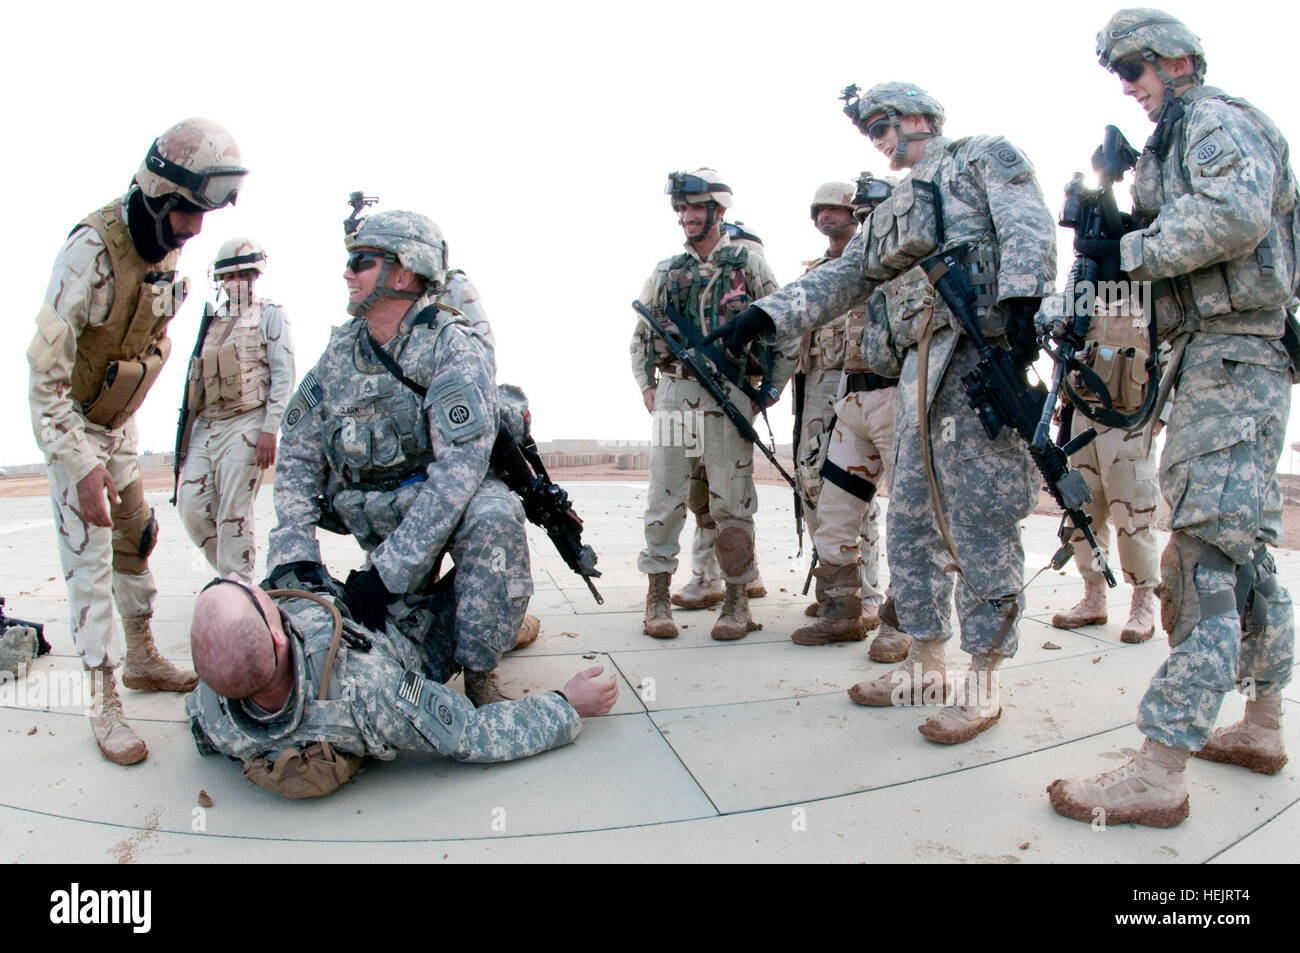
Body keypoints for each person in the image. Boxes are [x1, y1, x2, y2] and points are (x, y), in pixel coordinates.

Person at [709, 84, 1057, 743]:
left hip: (978, 362)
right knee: (911, 524)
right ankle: (926, 665)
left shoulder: (982, 156)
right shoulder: (895, 208)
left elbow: (1027, 227)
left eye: (884, 124)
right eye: (871, 131)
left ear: (920, 116)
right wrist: (770, 312)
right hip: (916, 372)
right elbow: (850, 276)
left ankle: (983, 684)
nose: (881, 139)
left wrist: (1022, 308)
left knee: (981, 522)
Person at [1049, 8, 1295, 827]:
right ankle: (1261, 725)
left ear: (1179, 61)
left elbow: (1235, 215)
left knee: (1203, 562)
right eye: (1120, 74)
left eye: (1136, 69)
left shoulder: (1211, 120)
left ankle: (1162, 767)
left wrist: (1126, 246)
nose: (1130, 88)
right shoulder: (1183, 132)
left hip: (1230, 358)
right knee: (1244, 550)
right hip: (1228, 356)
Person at [27, 118, 246, 765]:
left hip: (119, 426)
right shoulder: (89, 253)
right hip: (72, 423)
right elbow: (44, 385)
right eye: (187, 212)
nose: (195, 229)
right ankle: (104, 701)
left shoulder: (164, 247)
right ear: (155, 194)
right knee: (89, 560)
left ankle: (143, 657)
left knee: (136, 537)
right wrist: (77, 464)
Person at [268, 209, 533, 707]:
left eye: (361, 261)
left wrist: (387, 572)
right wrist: (294, 554)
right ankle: (465, 615)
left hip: (438, 511)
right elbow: (298, 456)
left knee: (494, 513)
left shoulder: (453, 348)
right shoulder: (338, 354)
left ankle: (480, 668)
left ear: (405, 271)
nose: (348, 272)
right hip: (373, 516)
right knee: (383, 639)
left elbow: (458, 472)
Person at [185, 576, 617, 797]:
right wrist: (566, 704)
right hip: (401, 645)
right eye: (259, 599)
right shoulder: (371, 687)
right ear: (279, 637)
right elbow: (471, 733)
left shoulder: (213, 717)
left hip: (352, 626)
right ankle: (512, 630)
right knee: (486, 590)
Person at [631, 169, 794, 640]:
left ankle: (737, 599)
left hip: (731, 392)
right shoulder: (664, 271)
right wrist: (647, 386)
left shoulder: (751, 266)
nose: (685, 217)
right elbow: (641, 336)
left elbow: (785, 329)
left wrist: (770, 390)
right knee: (664, 496)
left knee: (732, 499)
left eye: (695, 208)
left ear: (718, 211)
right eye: (680, 208)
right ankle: (657, 597)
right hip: (674, 391)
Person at [790, 178, 905, 662]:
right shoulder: (838, 271)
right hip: (847, 395)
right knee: (833, 509)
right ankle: (842, 611)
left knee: (909, 519)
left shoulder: (913, 266)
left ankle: (901, 621)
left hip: (898, 396)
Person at [177, 238, 295, 581]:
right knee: (191, 507)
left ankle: (237, 582)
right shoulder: (211, 321)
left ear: (254, 276)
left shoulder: (271, 314)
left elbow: (283, 376)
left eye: (243, 275)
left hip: (247, 420)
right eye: (228, 277)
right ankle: (231, 573)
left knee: (234, 510)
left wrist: (269, 429)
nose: (235, 283)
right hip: (208, 424)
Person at [1049, 299, 1161, 643]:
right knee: (1085, 509)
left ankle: (1143, 604)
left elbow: (1171, 357)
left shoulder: (1152, 297)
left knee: (1133, 511)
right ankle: (1094, 598)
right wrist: (1062, 400)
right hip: (1085, 416)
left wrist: (1163, 415)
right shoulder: (1086, 300)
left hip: (1130, 420)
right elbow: (1070, 353)